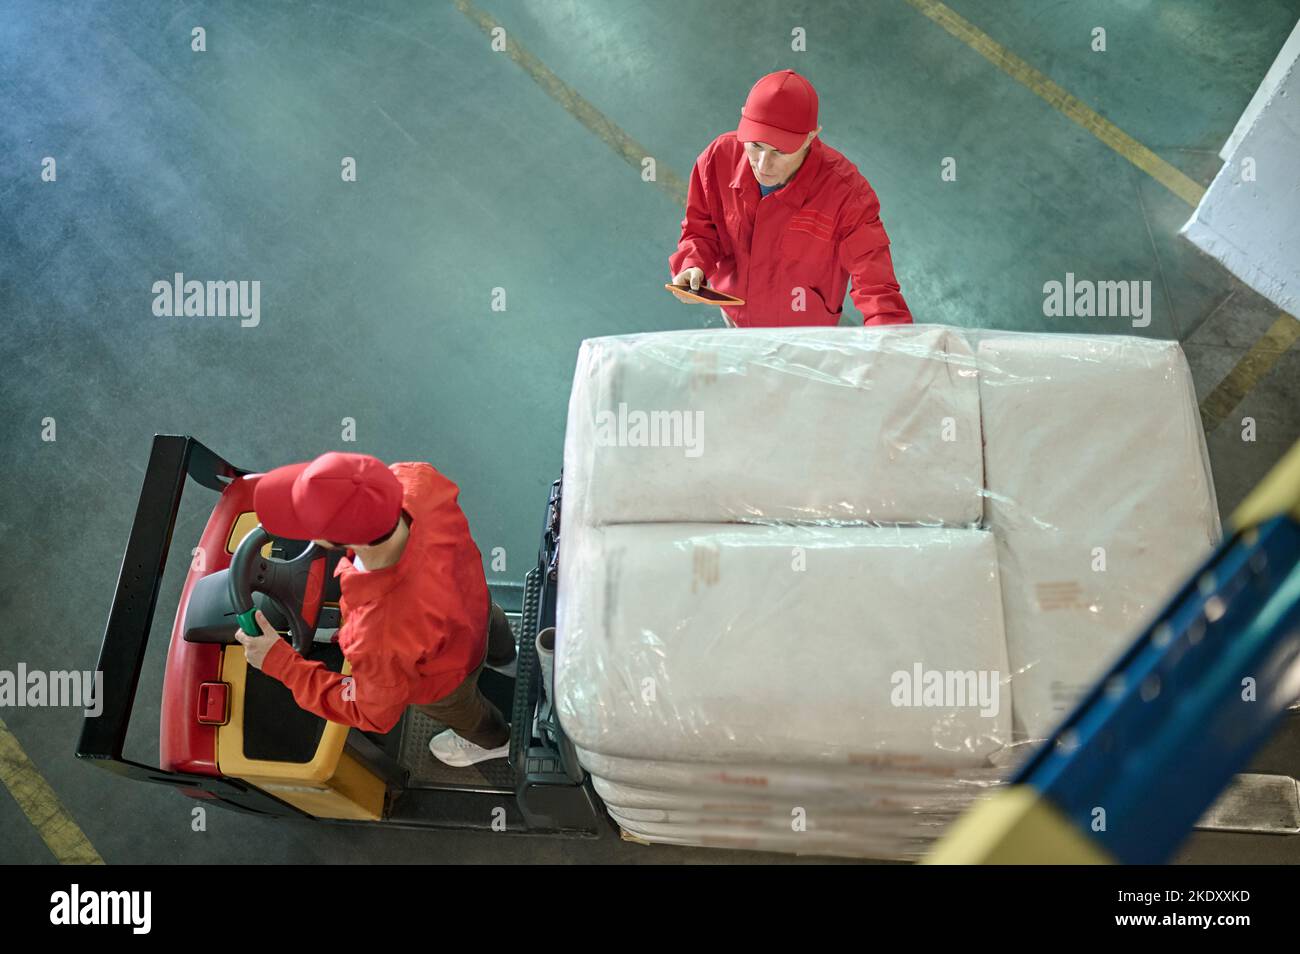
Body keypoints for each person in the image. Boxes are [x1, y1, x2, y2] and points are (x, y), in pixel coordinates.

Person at [231, 451, 516, 768]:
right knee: (497, 630)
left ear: (327, 540)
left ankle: (497, 742)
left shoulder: (378, 634)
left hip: (444, 677)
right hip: (476, 606)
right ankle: (509, 661)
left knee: (467, 713)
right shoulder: (418, 480)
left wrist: (282, 663)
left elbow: (370, 710)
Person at [669, 69, 913, 328]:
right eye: (756, 145)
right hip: (736, 316)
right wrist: (692, 264)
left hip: (805, 335)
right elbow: (701, 228)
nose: (763, 165)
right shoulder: (717, 159)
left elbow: (877, 287)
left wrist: (891, 345)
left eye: (780, 151)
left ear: (811, 136)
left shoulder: (848, 195)